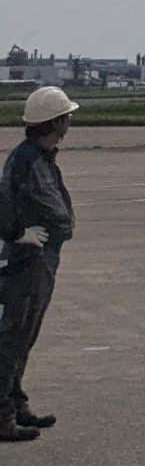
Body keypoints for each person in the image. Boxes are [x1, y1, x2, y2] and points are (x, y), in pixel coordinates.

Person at [0, 85, 78, 443]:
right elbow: (3, 204)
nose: (70, 121)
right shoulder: (26, 160)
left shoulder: (40, 157)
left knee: (26, 337)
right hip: (27, 262)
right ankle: (3, 416)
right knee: (14, 338)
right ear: (55, 121)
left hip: (43, 259)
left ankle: (17, 404)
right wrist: (18, 233)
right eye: (67, 116)